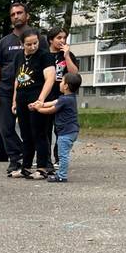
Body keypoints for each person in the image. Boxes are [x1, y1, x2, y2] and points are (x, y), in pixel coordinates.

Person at [0, 2, 45, 174]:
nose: (16, 16)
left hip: (30, 91)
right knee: (5, 127)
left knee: (32, 129)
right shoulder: (4, 42)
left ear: (27, 15)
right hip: (5, 90)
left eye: (19, 13)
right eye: (13, 14)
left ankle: (41, 161)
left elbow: (46, 63)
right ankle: (16, 157)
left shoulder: (38, 39)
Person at [12, 28, 57, 179]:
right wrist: (14, 100)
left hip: (37, 98)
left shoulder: (45, 56)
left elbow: (50, 78)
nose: (32, 47)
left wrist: (41, 100)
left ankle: (43, 167)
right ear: (22, 44)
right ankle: (26, 166)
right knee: (25, 134)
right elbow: (18, 79)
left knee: (39, 133)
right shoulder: (18, 57)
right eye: (28, 44)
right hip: (22, 99)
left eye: (35, 43)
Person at [35, 72, 82, 183]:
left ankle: (62, 176)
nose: (59, 83)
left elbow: (52, 109)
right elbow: (52, 102)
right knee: (63, 154)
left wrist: (39, 109)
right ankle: (61, 173)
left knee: (63, 155)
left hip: (66, 132)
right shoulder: (69, 98)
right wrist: (39, 104)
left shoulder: (65, 100)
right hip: (71, 131)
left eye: (61, 81)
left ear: (66, 86)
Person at [45, 27, 79, 164]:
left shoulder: (68, 55)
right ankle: (45, 158)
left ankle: (59, 158)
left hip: (63, 96)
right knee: (45, 129)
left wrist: (66, 56)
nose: (62, 41)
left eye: (64, 38)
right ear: (51, 40)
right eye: (59, 38)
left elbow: (74, 73)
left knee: (61, 129)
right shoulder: (44, 55)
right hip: (48, 95)